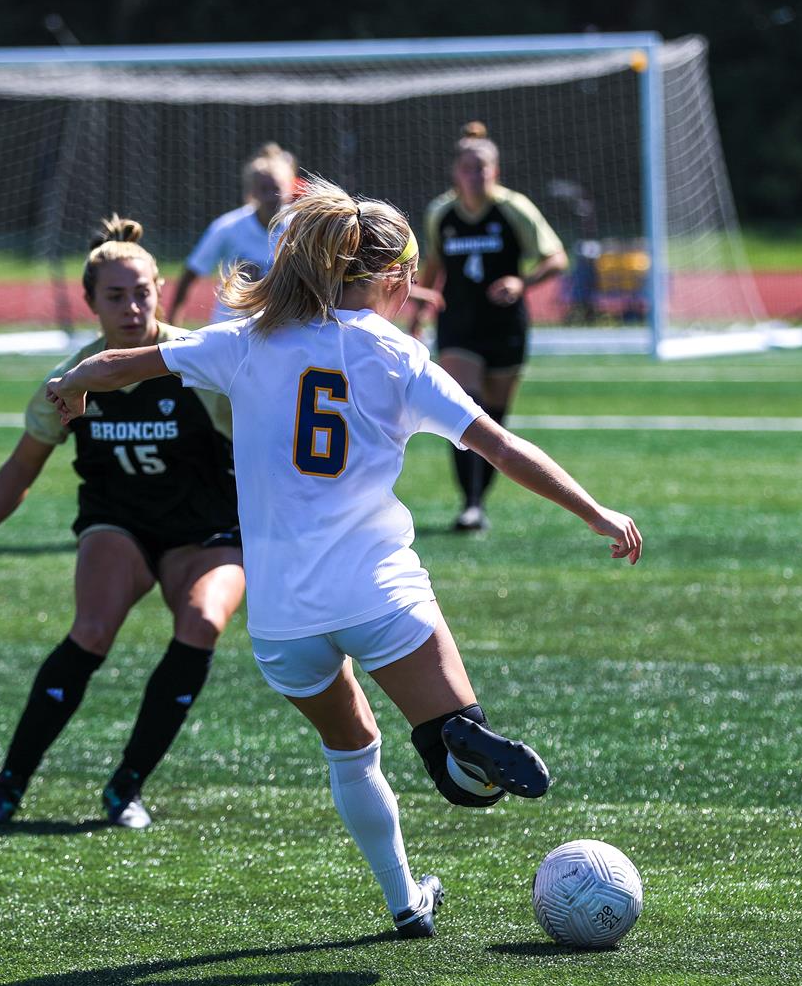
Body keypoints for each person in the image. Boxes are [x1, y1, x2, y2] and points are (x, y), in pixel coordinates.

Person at [43, 180, 641, 938]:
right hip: (378, 592)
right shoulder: (398, 355)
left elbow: (122, 363)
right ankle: (459, 735)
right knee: (464, 779)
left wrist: (72, 383)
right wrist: (595, 511)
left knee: (352, 752)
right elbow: (500, 446)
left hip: (284, 617)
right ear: (390, 277)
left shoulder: (246, 341)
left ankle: (405, 901)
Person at [0, 216, 245, 830]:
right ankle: (9, 783)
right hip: (120, 525)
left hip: (206, 528)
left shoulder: (200, 364)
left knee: (201, 622)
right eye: (115, 296)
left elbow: (262, 443)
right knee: (91, 630)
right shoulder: (72, 378)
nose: (132, 307)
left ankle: (126, 785)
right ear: (90, 303)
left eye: (141, 292)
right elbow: (24, 461)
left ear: (160, 290)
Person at [413, 121, 571, 533]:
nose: (475, 175)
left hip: (505, 327)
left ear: (495, 170)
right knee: (465, 406)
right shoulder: (441, 212)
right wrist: (417, 316)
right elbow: (433, 267)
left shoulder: (514, 208)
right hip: (457, 327)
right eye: (467, 167)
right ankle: (469, 504)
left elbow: (556, 257)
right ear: (455, 172)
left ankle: (478, 500)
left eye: (482, 167)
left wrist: (522, 282)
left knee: (494, 418)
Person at [167, 143, 297, 325]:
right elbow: (192, 271)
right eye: (263, 189)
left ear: (289, 189)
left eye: (276, 189)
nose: (270, 196)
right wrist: (173, 320)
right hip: (231, 327)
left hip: (280, 328)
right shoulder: (228, 227)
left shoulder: (299, 227)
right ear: (252, 192)